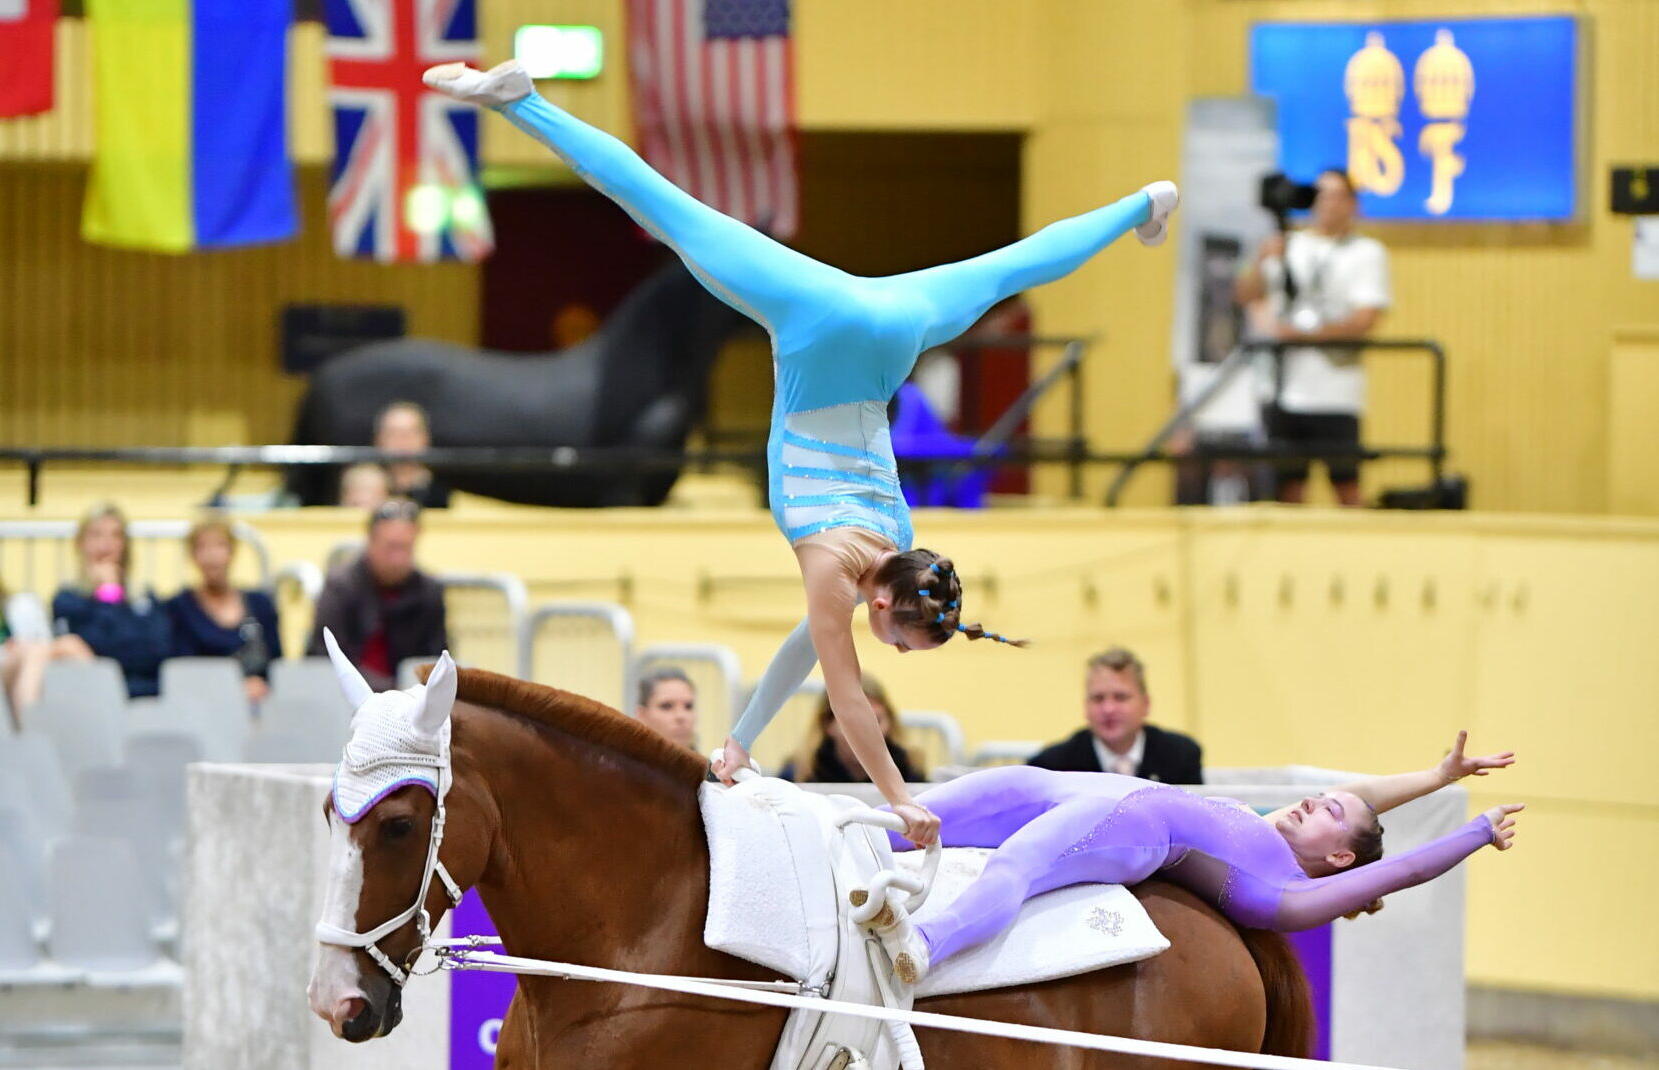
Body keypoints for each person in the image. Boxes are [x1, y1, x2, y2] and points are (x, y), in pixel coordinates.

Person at [424, 60, 1179, 846]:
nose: (890, 650)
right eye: (900, 641)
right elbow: (846, 701)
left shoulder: (896, 540)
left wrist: (741, 740)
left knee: (1009, 267)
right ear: (881, 606)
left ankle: (1145, 203)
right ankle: (522, 102)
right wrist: (901, 800)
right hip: (818, 324)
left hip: (895, 323)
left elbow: (800, 655)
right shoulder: (831, 571)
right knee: (665, 210)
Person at [871, 731, 1518, 985]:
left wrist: (1476, 833)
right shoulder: (1267, 825)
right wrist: (1437, 776)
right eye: (1319, 797)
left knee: (1014, 868)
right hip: (1057, 784)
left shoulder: (1288, 892)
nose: (1311, 802)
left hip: (1124, 827)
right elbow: (1364, 797)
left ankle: (924, 945)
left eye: (1328, 811)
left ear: (1342, 857)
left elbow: (1403, 870)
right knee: (900, 822)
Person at [1234, 167, 1391, 507]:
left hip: (1335, 390)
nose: (1328, 204)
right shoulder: (1287, 245)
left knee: (1347, 487)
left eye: (1337, 196)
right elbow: (1246, 293)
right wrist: (1261, 259)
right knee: (1287, 490)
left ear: (1352, 203)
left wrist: (1304, 336)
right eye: (1322, 195)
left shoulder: (1367, 252)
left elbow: (1366, 317)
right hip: (1281, 388)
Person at [305, 499, 448, 691]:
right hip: (346, 697)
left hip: (411, 699)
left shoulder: (428, 593)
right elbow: (326, 660)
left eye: (406, 548)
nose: (397, 559)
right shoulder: (340, 589)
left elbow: (437, 662)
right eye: (391, 547)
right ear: (370, 542)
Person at [0, 525, 91, 717]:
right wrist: (4, 653)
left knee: (71, 644)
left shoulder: (16, 604)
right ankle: (29, 726)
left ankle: (96, 722)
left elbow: (42, 645)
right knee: (30, 651)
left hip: (22, 666)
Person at [52, 503, 175, 699]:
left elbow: (156, 653)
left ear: (125, 545)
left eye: (115, 535)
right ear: (80, 543)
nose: (106, 544)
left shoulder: (144, 597)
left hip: (143, 694)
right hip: (89, 696)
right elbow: (102, 651)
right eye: (96, 534)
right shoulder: (68, 599)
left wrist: (113, 594)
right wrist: (108, 594)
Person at [1028, 647, 1202, 783]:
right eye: (1098, 698)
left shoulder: (1180, 756)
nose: (1108, 709)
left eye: (1121, 697)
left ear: (1146, 704)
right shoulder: (1053, 768)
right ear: (1085, 707)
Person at [165, 515, 283, 705]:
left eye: (220, 545)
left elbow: (277, 665)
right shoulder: (179, 608)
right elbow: (182, 670)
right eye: (203, 547)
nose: (212, 556)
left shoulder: (260, 604)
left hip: (260, 705)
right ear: (193, 555)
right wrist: (234, 689)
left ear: (232, 551)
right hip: (203, 706)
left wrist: (262, 686)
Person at [780, 677, 922, 784]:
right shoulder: (796, 776)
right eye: (854, 723)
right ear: (827, 724)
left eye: (876, 721)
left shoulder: (910, 772)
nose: (867, 734)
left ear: (890, 722)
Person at [374, 401, 451, 509]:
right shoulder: (361, 493)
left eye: (411, 432)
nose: (402, 440)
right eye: (393, 433)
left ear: (426, 438)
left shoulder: (450, 496)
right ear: (378, 440)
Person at [633, 666, 697, 750]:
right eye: (667, 706)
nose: (681, 716)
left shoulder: (709, 758)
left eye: (688, 706)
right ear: (642, 715)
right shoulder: (623, 757)